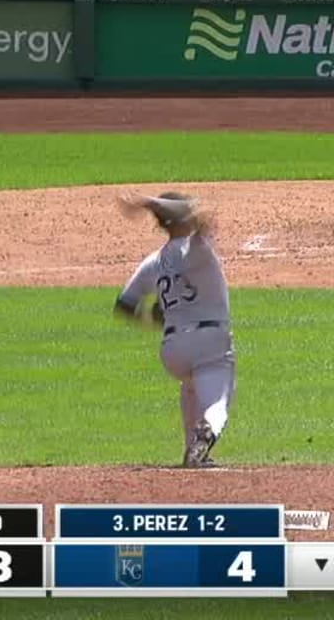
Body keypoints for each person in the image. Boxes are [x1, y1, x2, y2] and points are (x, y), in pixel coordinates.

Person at [113, 192, 234, 469]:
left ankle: (191, 451)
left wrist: (153, 321)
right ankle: (206, 432)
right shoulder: (198, 247)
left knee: (190, 386)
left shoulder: (153, 262)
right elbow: (200, 215)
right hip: (211, 342)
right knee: (218, 401)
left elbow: (124, 305)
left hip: (172, 350)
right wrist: (149, 202)